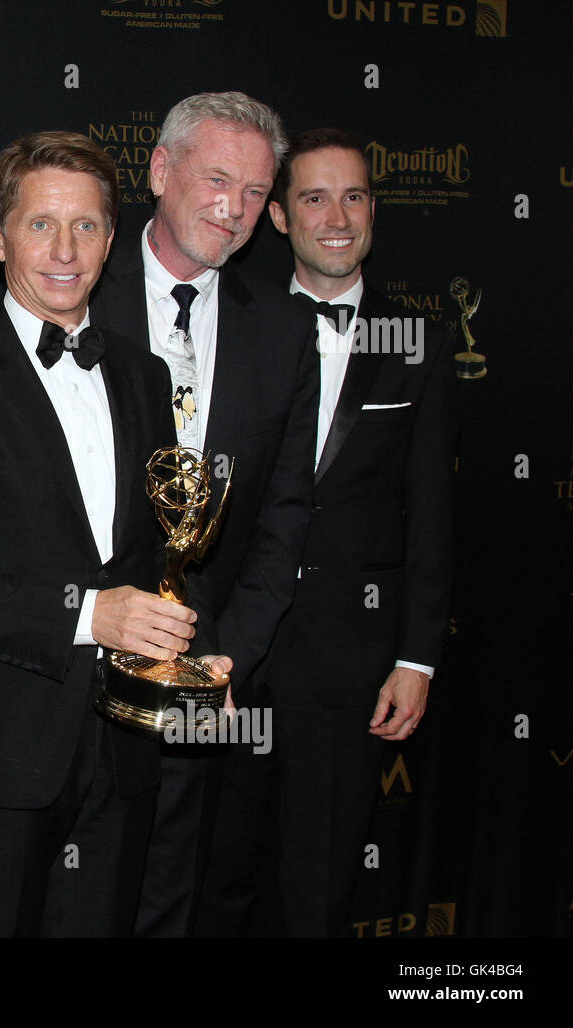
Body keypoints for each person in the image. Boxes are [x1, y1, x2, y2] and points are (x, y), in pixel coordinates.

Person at [0, 131, 225, 936]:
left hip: (122, 749)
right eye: (40, 225)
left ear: (113, 237)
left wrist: (184, 638)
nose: (65, 251)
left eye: (87, 226)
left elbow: (156, 551)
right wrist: (87, 614)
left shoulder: (144, 376)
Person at [198, 129, 454, 937]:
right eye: (313, 197)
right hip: (232, 649)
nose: (336, 216)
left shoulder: (414, 340)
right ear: (277, 216)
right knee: (213, 878)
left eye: (353, 196)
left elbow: (434, 514)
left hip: (349, 664)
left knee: (317, 893)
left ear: (374, 210)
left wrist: (416, 658)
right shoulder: (235, 326)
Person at [91, 91, 319, 937]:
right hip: (80, 679)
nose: (234, 208)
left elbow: (285, 515)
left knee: (172, 906)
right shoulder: (73, 290)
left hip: (206, 686)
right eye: (216, 178)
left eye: (257, 193)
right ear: (158, 170)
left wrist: (226, 657)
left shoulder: (284, 334)